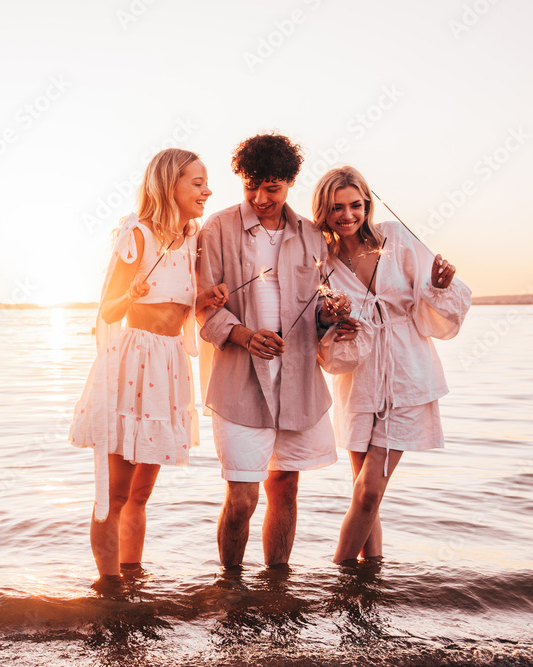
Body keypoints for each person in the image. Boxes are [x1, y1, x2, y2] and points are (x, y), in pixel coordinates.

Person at [196, 133, 354, 572]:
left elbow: (318, 308)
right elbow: (204, 309)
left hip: (297, 381)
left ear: (289, 183)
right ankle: (230, 588)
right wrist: (245, 335)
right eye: (252, 186)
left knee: (285, 487)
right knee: (243, 497)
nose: (261, 198)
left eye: (272, 188)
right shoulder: (217, 228)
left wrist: (331, 316)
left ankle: (277, 587)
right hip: (239, 383)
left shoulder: (311, 236)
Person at [70, 148, 225, 589]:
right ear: (168, 185)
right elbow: (107, 310)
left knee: (141, 495)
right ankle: (110, 590)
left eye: (205, 183)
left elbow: (182, 307)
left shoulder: (193, 238)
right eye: (196, 183)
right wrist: (131, 292)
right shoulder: (137, 235)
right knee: (115, 495)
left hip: (170, 364)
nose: (206, 190)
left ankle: (132, 581)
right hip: (132, 363)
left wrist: (207, 301)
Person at [311, 165, 471, 564]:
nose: (347, 215)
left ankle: (340, 580)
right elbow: (315, 316)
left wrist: (437, 285)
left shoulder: (395, 240)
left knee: (368, 491)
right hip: (359, 377)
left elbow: (434, 300)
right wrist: (333, 319)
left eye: (356, 205)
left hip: (407, 372)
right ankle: (370, 578)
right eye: (336, 208)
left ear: (367, 204)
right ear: (323, 211)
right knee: (364, 492)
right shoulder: (323, 260)